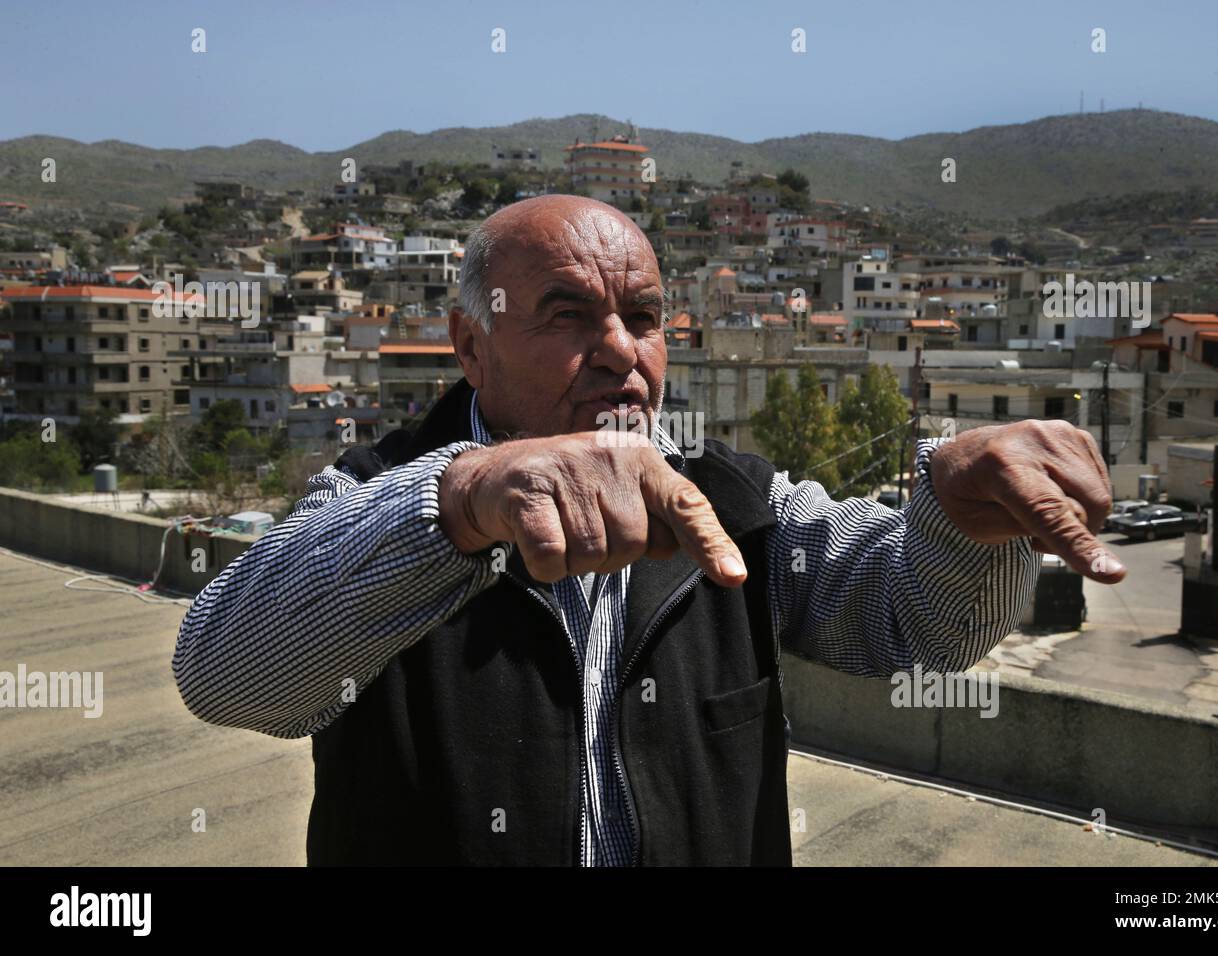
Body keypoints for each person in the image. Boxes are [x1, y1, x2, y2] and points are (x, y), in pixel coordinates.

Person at [172, 195, 1122, 866]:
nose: (622, 350)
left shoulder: (734, 501)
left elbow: (917, 625)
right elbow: (226, 678)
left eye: (644, 316)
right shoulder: (380, 498)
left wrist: (962, 522)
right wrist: (461, 505)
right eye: (569, 314)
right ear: (471, 345)